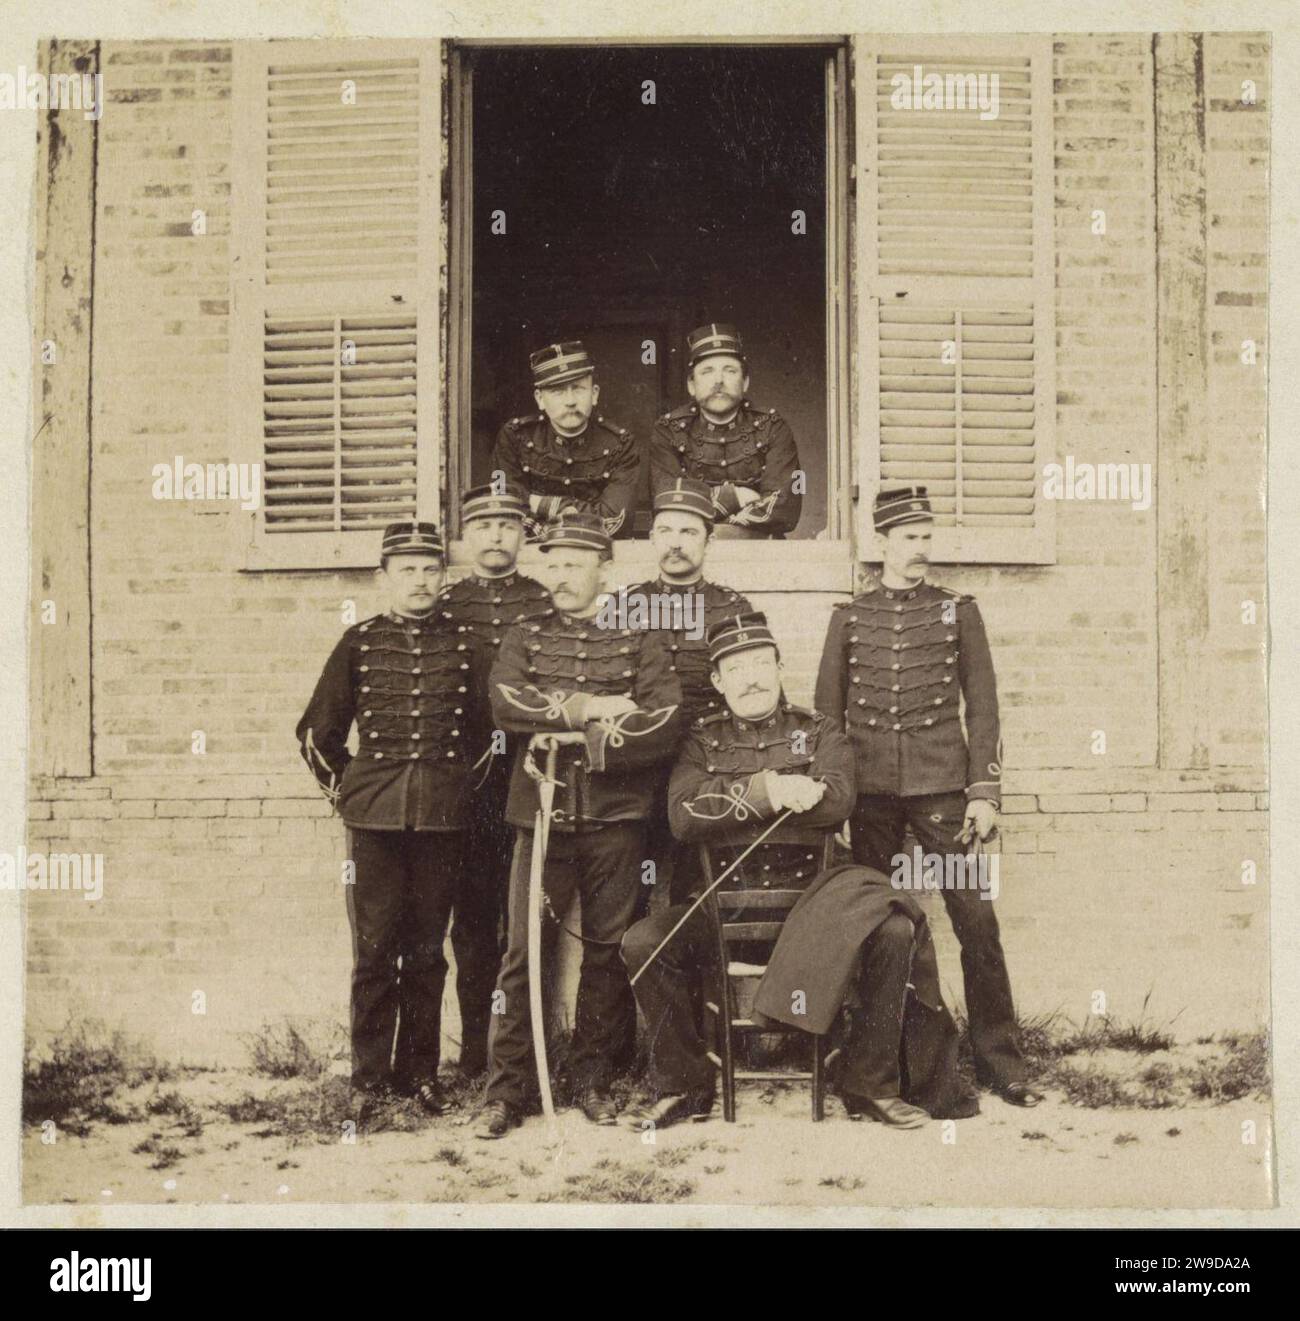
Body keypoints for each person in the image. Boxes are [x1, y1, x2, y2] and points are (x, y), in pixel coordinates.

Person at [621, 611, 977, 1130]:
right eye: (737, 668)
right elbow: (682, 816)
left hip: (816, 913)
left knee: (896, 931)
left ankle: (870, 1086)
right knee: (642, 942)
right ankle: (684, 1087)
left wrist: (762, 795)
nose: (753, 677)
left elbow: (838, 801)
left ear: (780, 667)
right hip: (724, 910)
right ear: (718, 681)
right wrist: (769, 790)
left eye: (762, 663)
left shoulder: (820, 732)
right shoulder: (699, 740)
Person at [814, 485, 1041, 1107]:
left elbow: (984, 704)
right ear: (880, 543)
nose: (920, 549)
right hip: (871, 797)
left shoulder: (957, 610)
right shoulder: (850, 617)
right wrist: (836, 799)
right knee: (874, 929)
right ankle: (876, 1064)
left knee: (976, 920)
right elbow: (827, 718)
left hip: (944, 791)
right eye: (908, 537)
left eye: (925, 537)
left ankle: (1002, 1062)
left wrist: (984, 791)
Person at [475, 512, 682, 1138]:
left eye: (573, 563)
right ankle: (506, 1090)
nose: (559, 576)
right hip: (538, 813)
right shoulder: (526, 633)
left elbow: (664, 716)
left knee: (607, 947)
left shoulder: (640, 638)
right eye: (553, 563)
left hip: (616, 816)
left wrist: (578, 737)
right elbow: (506, 701)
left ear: (604, 569)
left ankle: (593, 1078)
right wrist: (589, 707)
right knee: (521, 951)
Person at [296, 521, 472, 1118]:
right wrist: (351, 789)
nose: (420, 581)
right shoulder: (359, 643)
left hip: (444, 820)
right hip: (373, 820)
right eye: (407, 570)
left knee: (427, 951)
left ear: (444, 578)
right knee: (373, 951)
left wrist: (464, 792)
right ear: (384, 578)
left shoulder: (468, 648)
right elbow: (316, 734)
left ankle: (418, 1075)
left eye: (430, 569)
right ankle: (369, 1080)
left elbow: (490, 736)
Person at [435, 484, 554, 1075]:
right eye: (484, 526)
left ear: (524, 535)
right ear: (466, 536)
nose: (497, 536)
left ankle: (531, 1048)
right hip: (469, 779)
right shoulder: (448, 604)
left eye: (508, 525)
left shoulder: (542, 601)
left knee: (530, 913)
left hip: (532, 774)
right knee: (474, 916)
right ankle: (478, 1051)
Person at [623, 476, 751, 905]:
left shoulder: (732, 608)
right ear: (651, 537)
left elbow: (755, 689)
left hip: (706, 769)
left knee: (696, 895)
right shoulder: (623, 605)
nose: (675, 543)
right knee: (630, 893)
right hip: (636, 771)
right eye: (665, 531)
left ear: (708, 541)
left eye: (689, 531)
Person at [649, 323, 801, 538]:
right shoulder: (668, 431)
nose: (718, 380)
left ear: (745, 382)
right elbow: (668, 504)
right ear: (691, 385)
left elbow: (786, 508)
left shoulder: (773, 427)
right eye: (707, 371)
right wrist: (734, 496)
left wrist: (713, 516)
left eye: (729, 370)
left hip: (761, 551)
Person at [490, 341, 640, 541]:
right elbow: (504, 505)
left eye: (578, 388)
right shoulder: (514, 437)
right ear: (540, 399)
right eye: (557, 391)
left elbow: (615, 521)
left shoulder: (620, 444)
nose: (570, 401)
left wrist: (540, 504)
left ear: (594, 394)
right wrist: (564, 512)